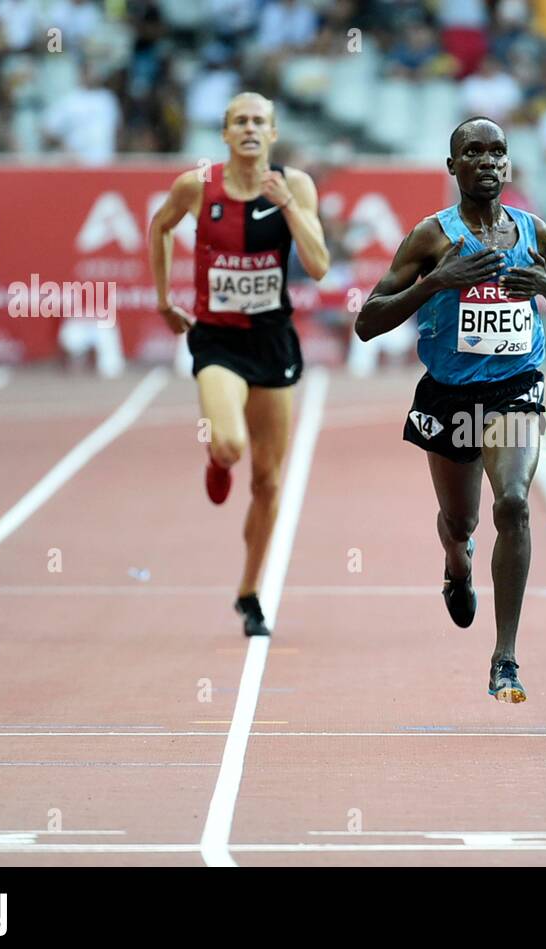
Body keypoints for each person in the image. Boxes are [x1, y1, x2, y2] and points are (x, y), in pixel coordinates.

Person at [355, 116, 546, 703]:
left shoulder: (533, 230)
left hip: (516, 387)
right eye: (474, 151)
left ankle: (504, 657)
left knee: (513, 502)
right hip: (451, 396)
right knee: (463, 522)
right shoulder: (431, 236)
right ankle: (457, 563)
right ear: (453, 166)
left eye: (498, 151)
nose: (488, 160)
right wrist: (437, 282)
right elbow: (367, 322)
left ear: (507, 164)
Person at [148, 91, 329, 637]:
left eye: (260, 121)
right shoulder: (197, 187)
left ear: (272, 134)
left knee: (269, 483)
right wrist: (163, 299)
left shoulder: (295, 185)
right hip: (218, 341)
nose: (250, 128)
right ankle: (218, 459)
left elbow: (319, 266)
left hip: (272, 342)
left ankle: (249, 592)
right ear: (225, 134)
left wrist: (290, 206)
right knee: (229, 443)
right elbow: (160, 227)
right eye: (240, 121)